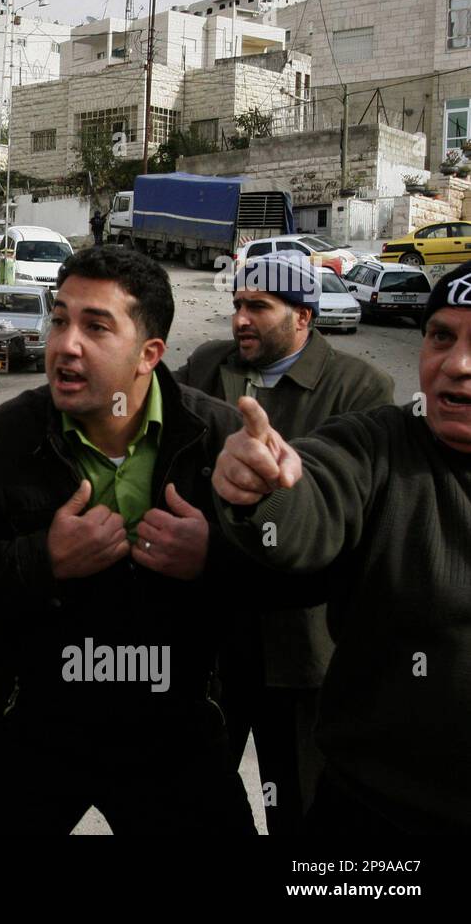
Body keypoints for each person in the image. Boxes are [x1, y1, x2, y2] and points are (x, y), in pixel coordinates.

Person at [0, 245, 269, 835]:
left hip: (176, 734)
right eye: (60, 319)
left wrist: (212, 558)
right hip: (30, 728)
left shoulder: (216, 439)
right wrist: (40, 561)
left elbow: (303, 578)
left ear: (150, 354)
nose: (65, 344)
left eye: (96, 327)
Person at [211, 261, 471, 835]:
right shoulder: (380, 442)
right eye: (441, 337)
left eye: (260, 306)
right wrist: (266, 493)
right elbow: (317, 497)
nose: (457, 365)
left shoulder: (355, 380)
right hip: (372, 814)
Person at [174, 253, 394, 834]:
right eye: (237, 306)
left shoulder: (361, 388)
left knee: (300, 806)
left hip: (302, 648)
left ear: (303, 316)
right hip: (213, 638)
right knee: (190, 798)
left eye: (258, 308)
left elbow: (355, 527)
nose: (241, 320)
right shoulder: (204, 366)